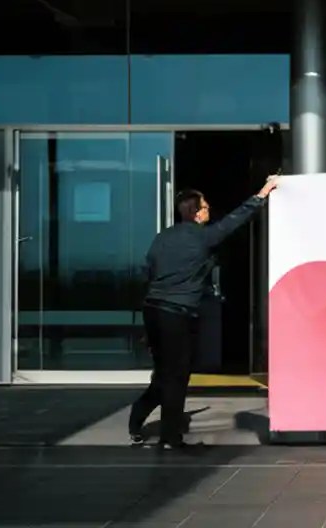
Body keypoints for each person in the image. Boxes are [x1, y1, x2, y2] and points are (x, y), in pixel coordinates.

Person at [128, 175, 280, 450]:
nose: (209, 210)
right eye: (206, 206)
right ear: (197, 213)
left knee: (164, 373)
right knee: (177, 376)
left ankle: (138, 419)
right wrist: (262, 194)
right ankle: (170, 438)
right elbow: (235, 220)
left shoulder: (162, 238)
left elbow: (148, 273)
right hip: (176, 314)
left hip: (153, 311)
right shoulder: (202, 237)